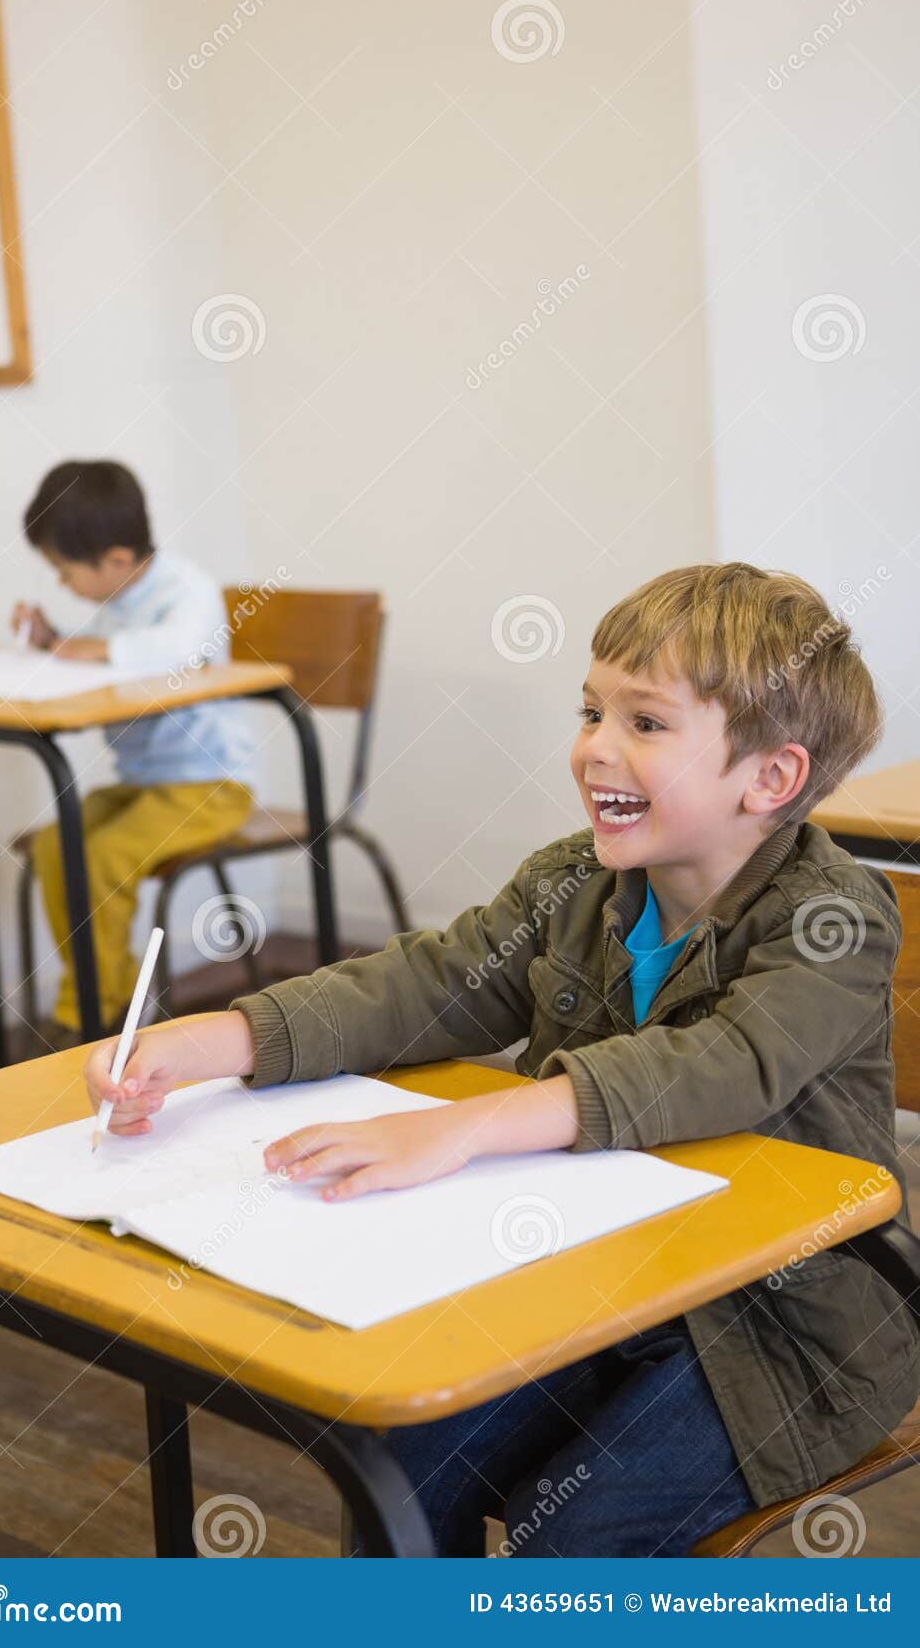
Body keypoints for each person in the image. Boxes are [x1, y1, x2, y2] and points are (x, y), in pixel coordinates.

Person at [83, 561, 919, 1555]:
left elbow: (723, 1064)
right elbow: (424, 984)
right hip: (590, 1276)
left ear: (768, 777)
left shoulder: (831, 913)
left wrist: (458, 1128)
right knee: (393, 1477)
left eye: (643, 723)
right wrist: (208, 1042)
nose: (591, 749)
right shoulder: (573, 877)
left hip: (780, 1329)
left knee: (555, 1540)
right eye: (589, 710)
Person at [13, 459, 252, 1038]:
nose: (62, 584)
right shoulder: (120, 602)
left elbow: (174, 650)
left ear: (116, 561)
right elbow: (112, 648)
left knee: (103, 856)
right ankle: (107, 989)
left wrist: (92, 650)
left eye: (64, 570)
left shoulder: (186, 591)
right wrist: (54, 641)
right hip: (145, 785)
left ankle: (87, 1012)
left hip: (209, 787)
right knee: (55, 845)